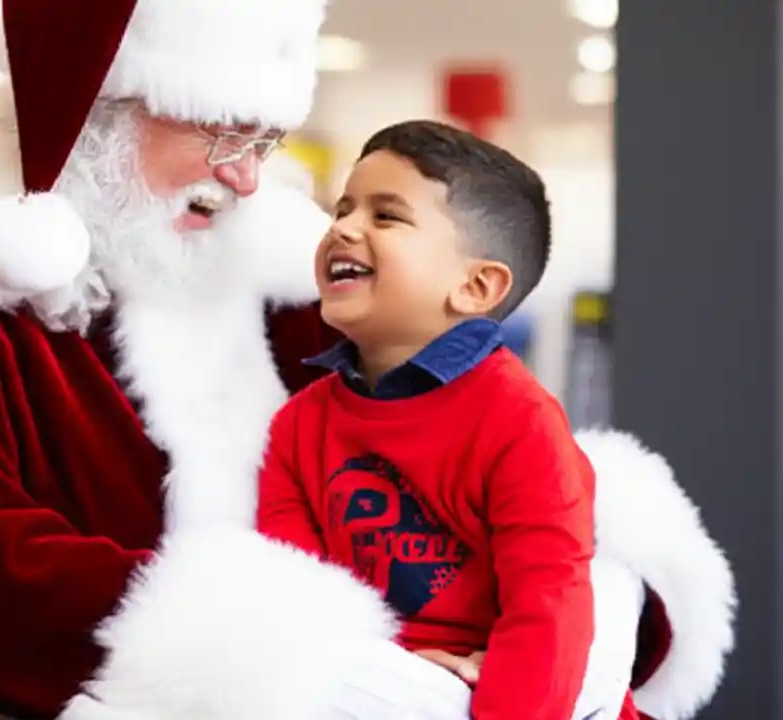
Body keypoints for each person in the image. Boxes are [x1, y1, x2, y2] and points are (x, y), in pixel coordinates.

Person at [0, 2, 735, 719]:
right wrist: (327, 672)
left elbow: (488, 457)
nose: (248, 177)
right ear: (93, 113)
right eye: (222, 134)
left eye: (264, 143)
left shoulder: (292, 287)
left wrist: (592, 597)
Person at [256, 120, 618, 720]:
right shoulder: (298, 424)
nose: (343, 226)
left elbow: (549, 603)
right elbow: (295, 599)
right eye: (343, 207)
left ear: (476, 286)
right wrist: (391, 675)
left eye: (386, 215)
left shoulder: (520, 421)